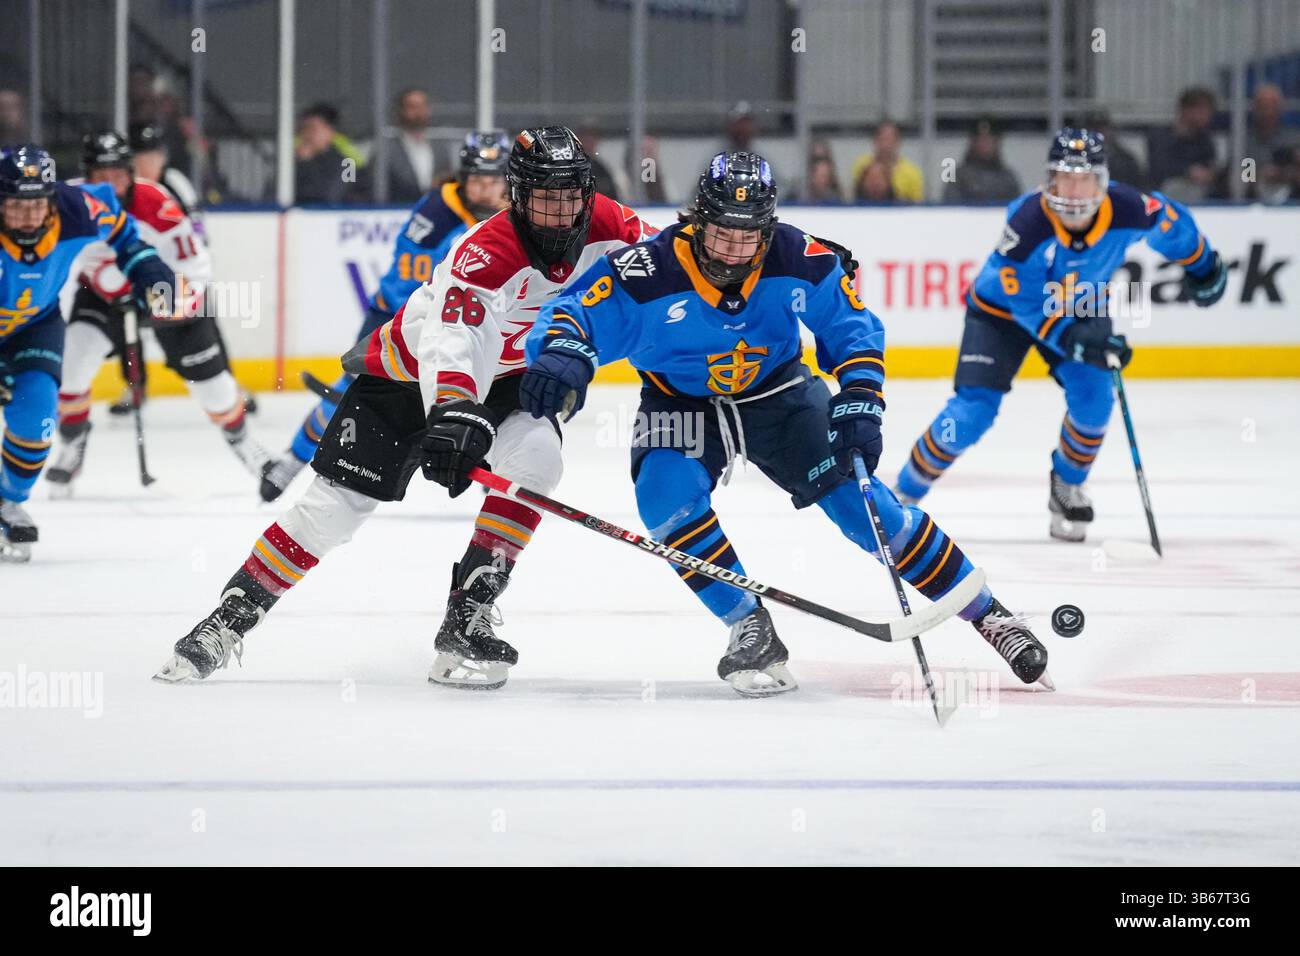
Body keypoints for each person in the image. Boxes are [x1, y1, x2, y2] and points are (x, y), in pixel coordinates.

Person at [518, 150, 1051, 696]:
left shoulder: (799, 254)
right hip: (679, 401)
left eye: (747, 238)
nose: (732, 251)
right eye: (720, 234)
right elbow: (571, 313)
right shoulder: (647, 269)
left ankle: (989, 614)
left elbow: (850, 324)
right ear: (695, 222)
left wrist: (862, 394)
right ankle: (748, 624)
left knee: (864, 508)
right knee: (663, 496)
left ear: (767, 231)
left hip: (781, 395)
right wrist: (562, 354)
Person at [154, 126, 655, 687]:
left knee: (539, 460)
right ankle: (227, 620)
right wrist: (455, 410)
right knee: (333, 511)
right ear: (516, 196)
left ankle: (468, 615)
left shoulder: (615, 226)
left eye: (570, 197)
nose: (560, 214)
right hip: (411, 376)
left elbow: (671, 271)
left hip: (511, 381)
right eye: (544, 198)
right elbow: (451, 342)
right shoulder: (485, 251)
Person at [893, 128, 1227, 542]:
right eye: (1065, 177)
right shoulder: (1028, 220)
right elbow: (1028, 304)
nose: (1073, 189)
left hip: (1080, 308)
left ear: (1101, 181)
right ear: (1050, 179)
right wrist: (1074, 339)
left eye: (1083, 177)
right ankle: (902, 495)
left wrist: (1203, 265)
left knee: (1095, 399)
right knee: (971, 414)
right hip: (1003, 313)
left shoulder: (1129, 209)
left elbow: (1173, 223)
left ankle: (1067, 485)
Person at [259, 130, 512, 502]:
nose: (486, 190)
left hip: (461, 320)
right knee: (348, 395)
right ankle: (293, 460)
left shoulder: (511, 215)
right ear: (462, 179)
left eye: (494, 181)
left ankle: (495, 473)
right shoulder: (436, 215)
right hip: (399, 316)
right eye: (478, 180)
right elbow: (410, 288)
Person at [43, 131, 272, 496]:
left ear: (130, 172)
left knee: (213, 386)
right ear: (87, 175)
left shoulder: (155, 201)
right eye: (101, 176)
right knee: (71, 366)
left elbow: (194, 261)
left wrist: (182, 302)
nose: (111, 184)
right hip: (101, 295)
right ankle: (72, 445)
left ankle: (244, 443)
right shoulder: (67, 202)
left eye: (118, 174)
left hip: (164, 290)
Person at [0, 144, 176, 561]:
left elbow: (126, 237)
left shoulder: (79, 209)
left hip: (33, 326)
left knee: (39, 417)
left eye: (36, 205)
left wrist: (150, 272)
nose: (28, 217)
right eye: (15, 206)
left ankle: (8, 500)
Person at [1145, 87, 1220, 201]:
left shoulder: (1205, 139)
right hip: (1165, 189)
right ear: (1184, 110)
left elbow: (1210, 164)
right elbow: (1159, 166)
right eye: (1201, 110)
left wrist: (1210, 174)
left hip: (1200, 188)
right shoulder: (1161, 136)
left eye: (1209, 110)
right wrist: (1188, 171)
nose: (1206, 115)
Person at [294, 104, 365, 204]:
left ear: (330, 131)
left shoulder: (348, 164)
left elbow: (330, 196)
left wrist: (305, 163)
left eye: (312, 129)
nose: (306, 134)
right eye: (303, 129)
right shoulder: (294, 160)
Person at [1244, 84, 1300, 203]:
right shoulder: (1244, 139)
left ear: (1281, 107)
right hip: (1252, 194)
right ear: (1255, 108)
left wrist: (1282, 173)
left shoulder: (1294, 137)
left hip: (1290, 193)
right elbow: (1241, 169)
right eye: (1263, 106)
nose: (1267, 111)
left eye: (1272, 105)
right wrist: (1259, 174)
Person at [942, 118, 1021, 202]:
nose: (985, 144)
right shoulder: (958, 176)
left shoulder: (1007, 177)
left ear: (997, 143)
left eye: (989, 139)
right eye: (981, 139)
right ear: (973, 143)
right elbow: (950, 207)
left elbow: (1016, 208)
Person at [383, 88, 438, 204]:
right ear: (401, 111)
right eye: (412, 106)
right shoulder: (387, 150)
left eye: (423, 106)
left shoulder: (440, 147)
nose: (418, 112)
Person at [850, 120, 923, 203]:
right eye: (882, 138)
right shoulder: (861, 164)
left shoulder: (912, 172)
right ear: (875, 140)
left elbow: (917, 205)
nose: (885, 144)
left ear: (898, 142)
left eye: (889, 139)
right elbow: (854, 197)